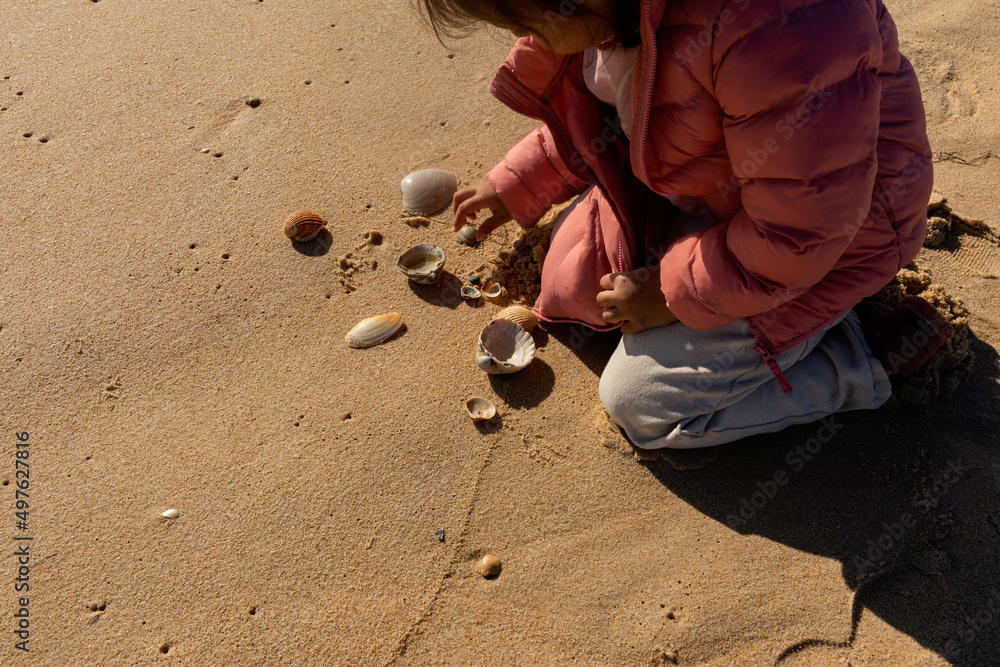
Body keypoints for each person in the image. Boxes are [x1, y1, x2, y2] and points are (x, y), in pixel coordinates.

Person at [423, 0, 953, 449]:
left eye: (528, 23)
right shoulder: (615, 16)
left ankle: (861, 362)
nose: (523, 37)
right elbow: (615, 113)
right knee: (568, 284)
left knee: (641, 403)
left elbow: (799, 235)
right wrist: (521, 179)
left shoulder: (774, 30)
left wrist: (669, 294)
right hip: (721, 205)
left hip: (833, 244)